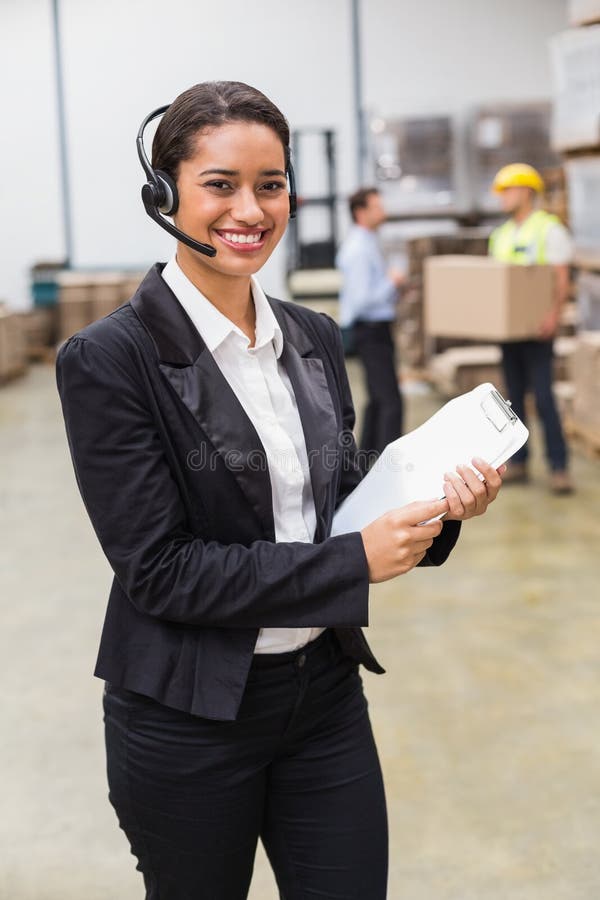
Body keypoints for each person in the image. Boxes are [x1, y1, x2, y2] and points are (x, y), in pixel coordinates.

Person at [56, 81, 505, 900]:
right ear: (164, 195)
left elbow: (333, 487)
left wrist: (441, 501)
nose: (251, 210)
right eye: (220, 185)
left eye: (271, 184)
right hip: (191, 716)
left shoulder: (312, 336)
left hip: (322, 696)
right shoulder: (109, 359)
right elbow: (161, 569)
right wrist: (352, 563)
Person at [489, 163, 574, 495]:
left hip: (538, 331)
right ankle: (520, 462)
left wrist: (553, 316)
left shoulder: (548, 229)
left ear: (526, 191)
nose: (502, 198)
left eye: (507, 191)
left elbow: (561, 279)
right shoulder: (501, 235)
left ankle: (559, 467)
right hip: (508, 334)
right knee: (512, 400)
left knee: (543, 396)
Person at [336, 187, 405, 463]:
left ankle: (364, 460)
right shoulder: (358, 250)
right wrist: (393, 282)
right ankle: (389, 467)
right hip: (370, 329)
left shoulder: (366, 243)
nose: (383, 212)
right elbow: (363, 300)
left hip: (375, 328)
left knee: (378, 399)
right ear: (361, 213)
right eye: (377, 207)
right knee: (390, 402)